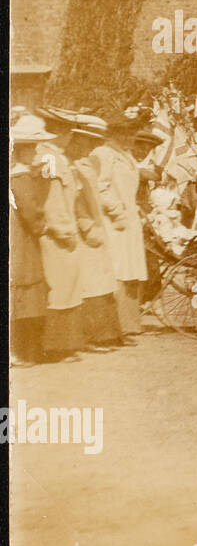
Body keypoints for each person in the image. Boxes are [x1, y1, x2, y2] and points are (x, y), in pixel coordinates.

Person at [68, 115, 126, 348]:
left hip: (96, 225)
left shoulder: (86, 164)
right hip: (85, 232)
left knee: (102, 281)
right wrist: (87, 226)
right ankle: (93, 336)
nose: (90, 146)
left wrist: (110, 213)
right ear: (76, 139)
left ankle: (107, 333)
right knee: (90, 284)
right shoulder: (72, 167)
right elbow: (78, 202)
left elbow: (95, 194)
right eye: (86, 141)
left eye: (93, 142)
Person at [36, 108, 88, 360]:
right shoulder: (48, 158)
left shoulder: (57, 157)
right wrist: (64, 231)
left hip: (64, 230)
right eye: (67, 131)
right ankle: (55, 347)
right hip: (56, 235)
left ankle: (64, 345)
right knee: (58, 290)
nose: (70, 136)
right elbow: (51, 200)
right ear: (57, 132)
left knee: (68, 288)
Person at [93, 112, 149, 339]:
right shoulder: (103, 154)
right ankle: (114, 326)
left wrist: (135, 209)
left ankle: (129, 324)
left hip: (129, 221)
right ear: (113, 133)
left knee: (130, 270)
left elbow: (129, 189)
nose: (129, 138)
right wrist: (117, 211)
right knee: (118, 269)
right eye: (125, 133)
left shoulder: (126, 156)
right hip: (114, 223)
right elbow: (101, 188)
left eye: (131, 133)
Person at [10, 113, 54, 365]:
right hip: (22, 241)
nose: (35, 154)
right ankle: (21, 352)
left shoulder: (17, 174)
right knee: (24, 292)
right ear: (23, 150)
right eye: (33, 149)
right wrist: (42, 225)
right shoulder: (21, 177)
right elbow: (31, 212)